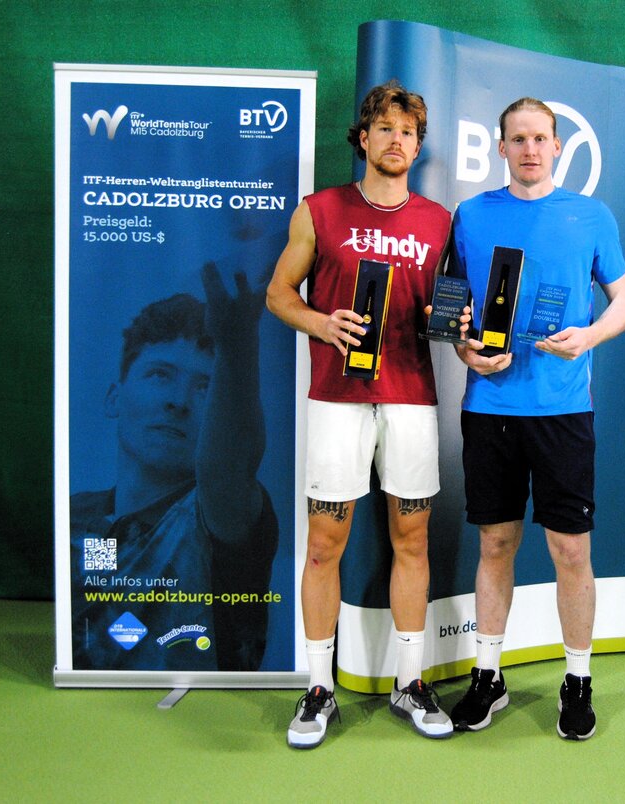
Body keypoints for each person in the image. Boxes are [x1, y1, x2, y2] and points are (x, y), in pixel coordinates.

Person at [267, 80, 455, 748]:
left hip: (410, 397)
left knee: (413, 541)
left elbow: (450, 315)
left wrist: (459, 326)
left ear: (417, 145)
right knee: (324, 545)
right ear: (364, 137)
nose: (398, 141)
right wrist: (324, 323)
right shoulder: (320, 211)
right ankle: (318, 689)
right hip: (338, 401)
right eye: (386, 129)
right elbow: (278, 295)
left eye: (409, 132)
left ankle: (410, 681)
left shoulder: (438, 221)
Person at [447, 97, 625, 741]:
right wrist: (466, 349)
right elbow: (454, 320)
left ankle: (577, 680)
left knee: (569, 550)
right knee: (495, 545)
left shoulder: (591, 215)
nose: (529, 148)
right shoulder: (470, 217)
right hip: (490, 411)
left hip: (563, 412)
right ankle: (488, 675)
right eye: (517, 138)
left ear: (558, 147)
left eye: (540, 138)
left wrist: (588, 337)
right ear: (500, 147)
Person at [70, 263, 278, 672]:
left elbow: (227, 469)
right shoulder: (75, 515)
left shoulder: (218, 511)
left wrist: (236, 347)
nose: (178, 401)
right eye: (160, 375)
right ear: (115, 398)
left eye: (204, 387)